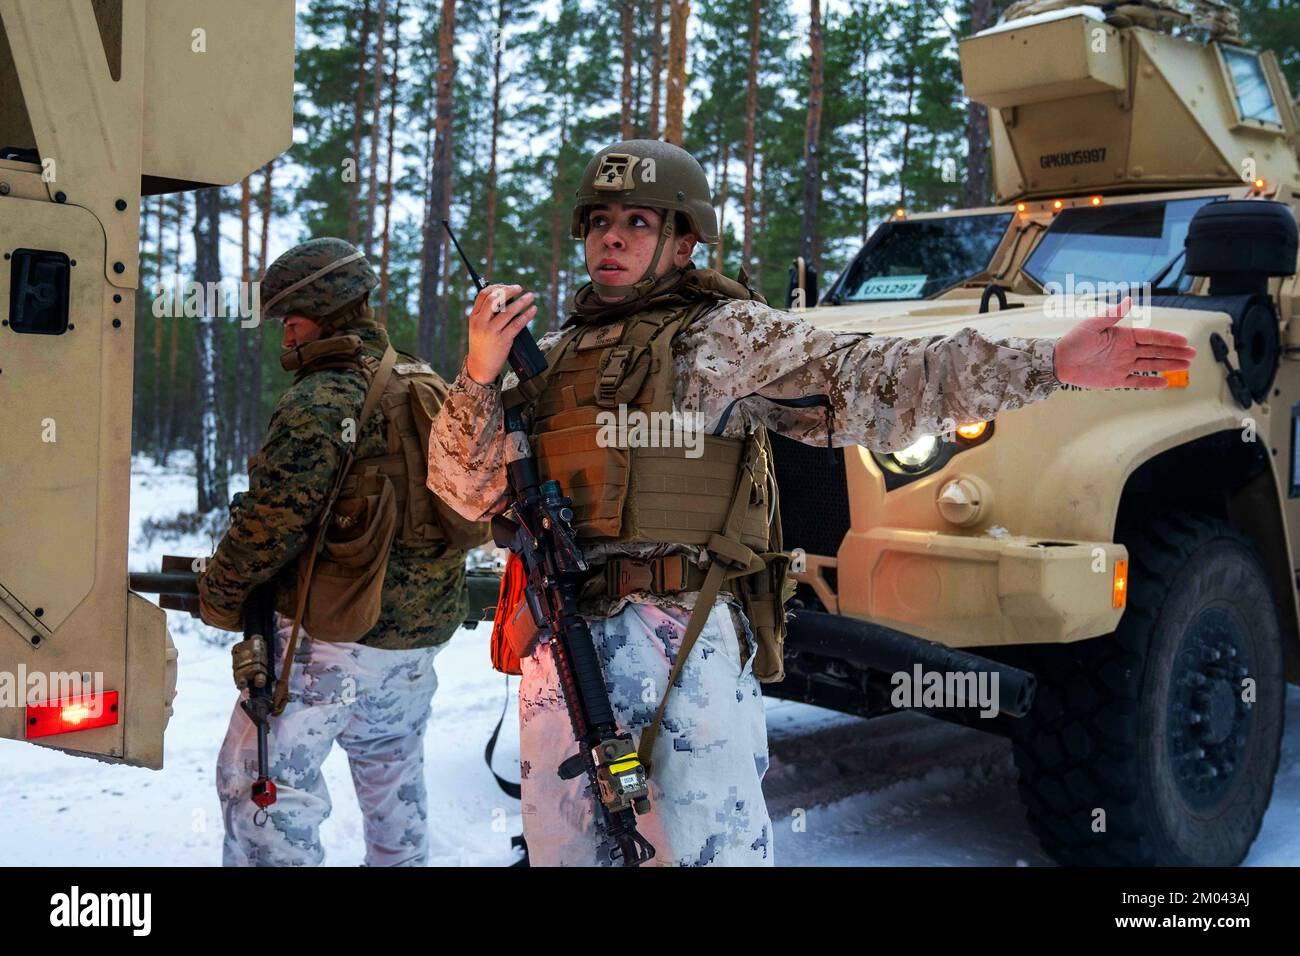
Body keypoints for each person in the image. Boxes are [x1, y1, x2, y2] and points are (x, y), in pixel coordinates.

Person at [426, 139, 1195, 866]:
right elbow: (465, 491)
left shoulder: (722, 337)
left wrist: (1052, 361)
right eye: (600, 222)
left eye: (638, 222)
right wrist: (476, 373)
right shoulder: (546, 358)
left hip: (678, 644)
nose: (612, 238)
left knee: (699, 850)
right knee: (571, 851)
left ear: (686, 242)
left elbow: (880, 378)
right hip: (561, 648)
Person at [198, 238, 480, 867]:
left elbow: (271, 524)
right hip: (416, 640)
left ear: (319, 314)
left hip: (333, 640)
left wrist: (219, 595)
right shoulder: (423, 379)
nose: (285, 340)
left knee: (264, 793)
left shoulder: (323, 396)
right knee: (392, 781)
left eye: (290, 323)